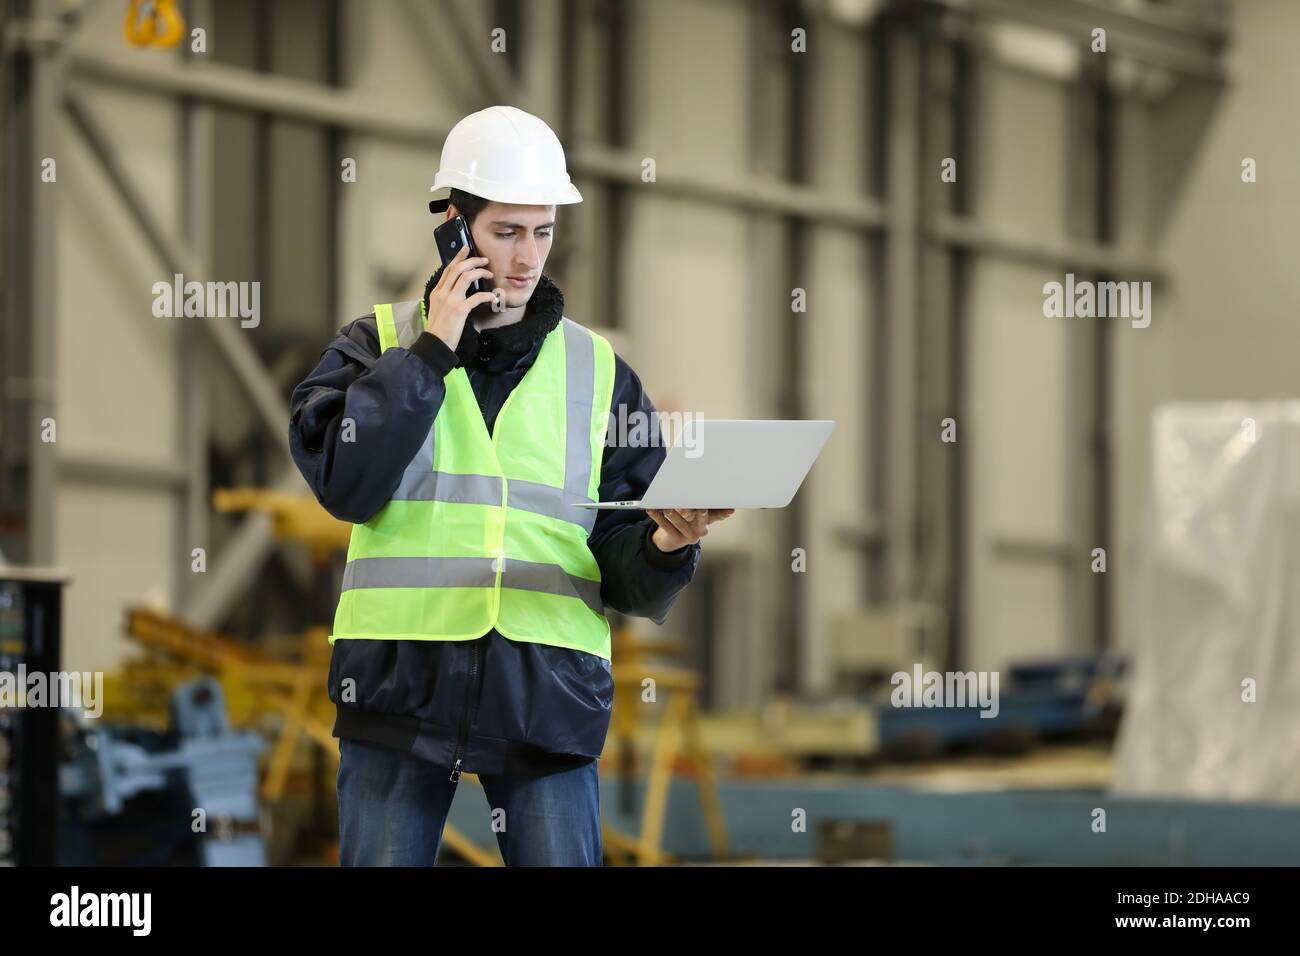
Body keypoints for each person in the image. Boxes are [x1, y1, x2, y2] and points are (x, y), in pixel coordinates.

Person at [288, 105, 733, 866]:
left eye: (544, 231)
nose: (528, 258)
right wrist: (430, 353)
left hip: (548, 698)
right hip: (399, 687)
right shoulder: (378, 348)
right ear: (454, 226)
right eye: (506, 232)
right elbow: (346, 485)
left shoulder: (599, 375)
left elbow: (622, 571)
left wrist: (665, 543)